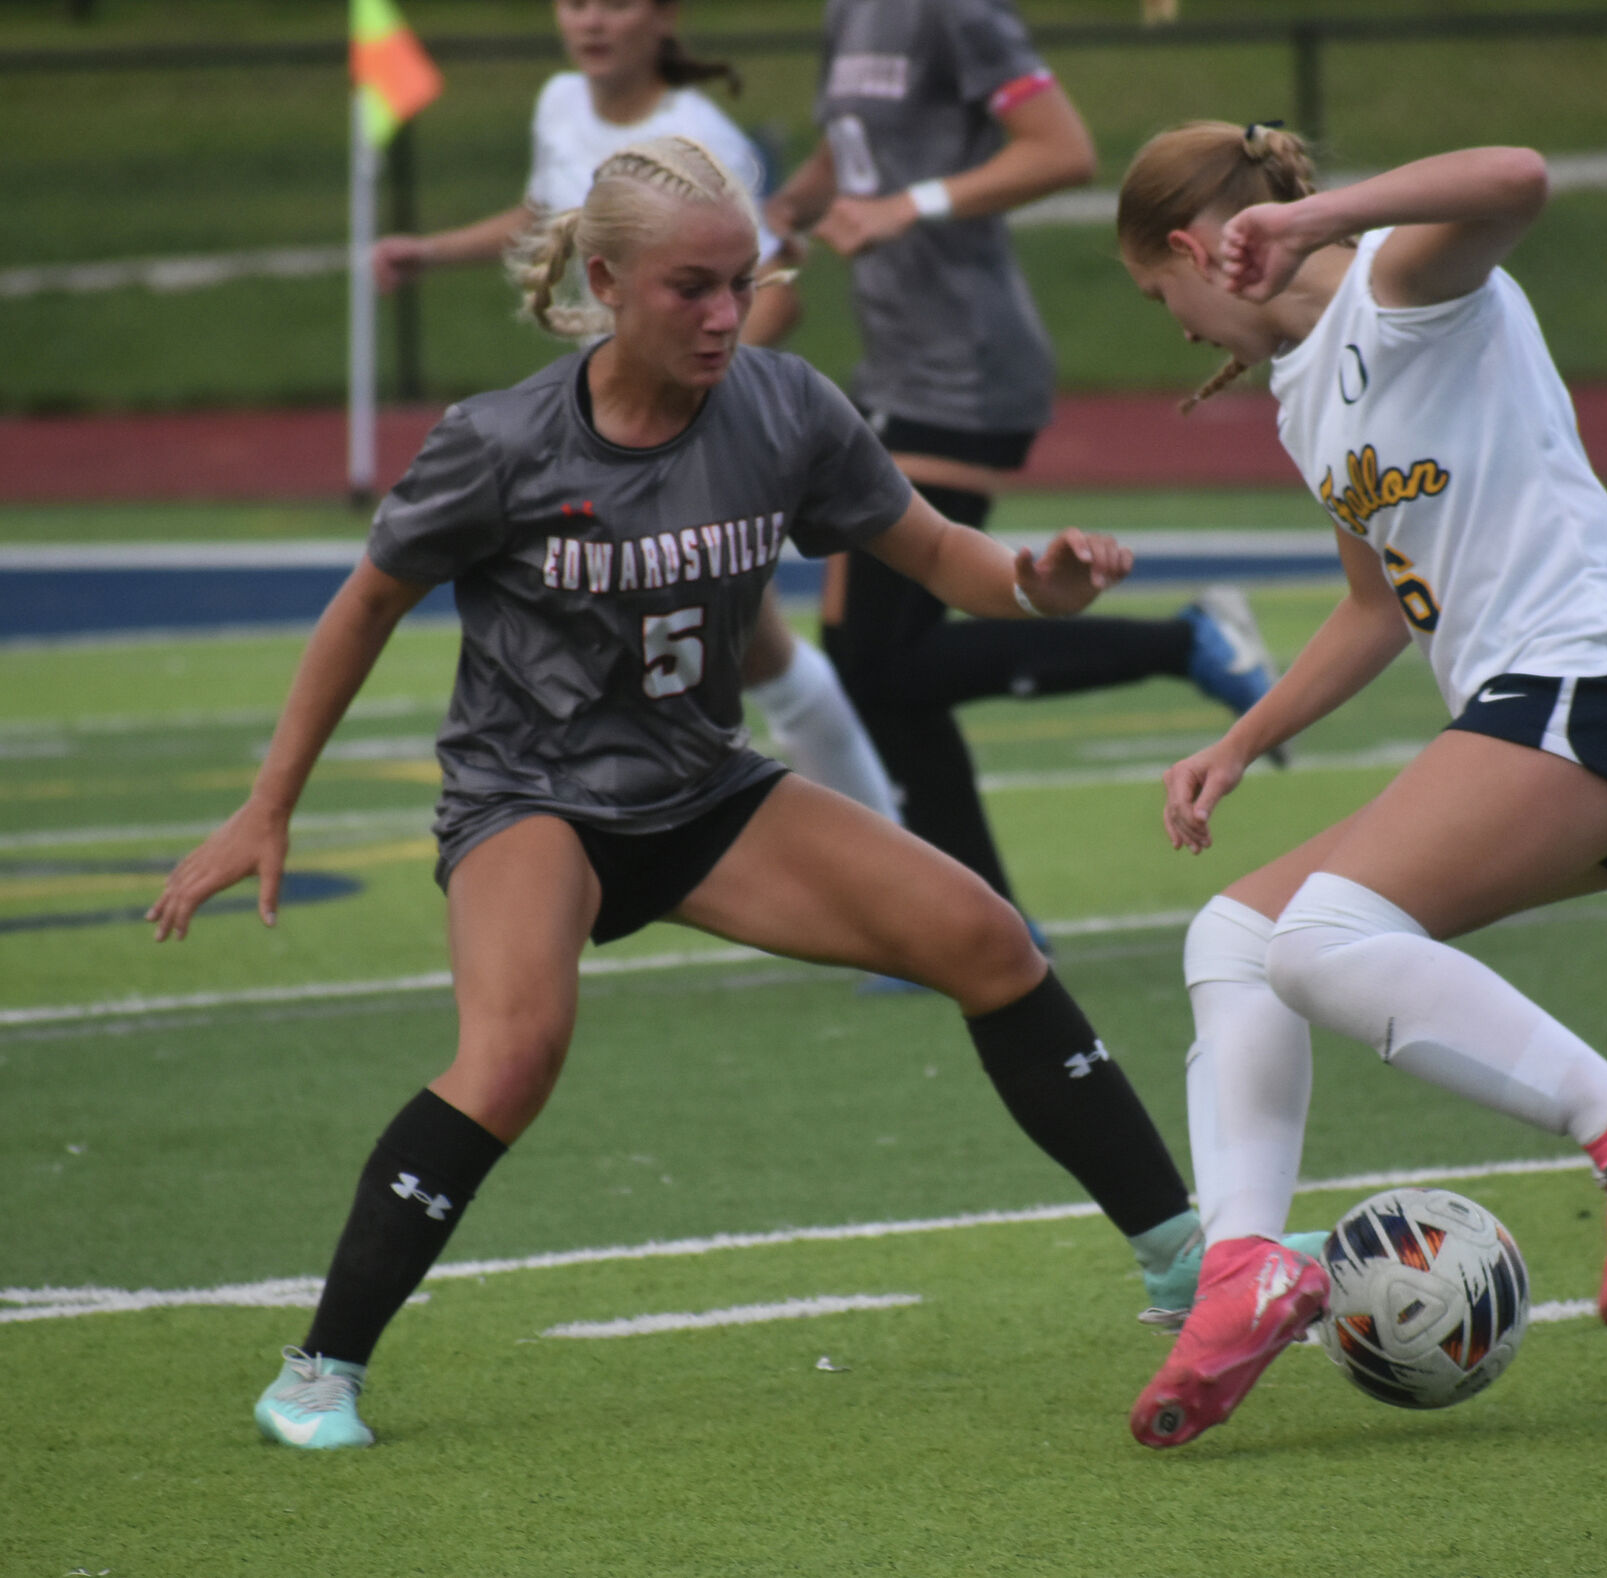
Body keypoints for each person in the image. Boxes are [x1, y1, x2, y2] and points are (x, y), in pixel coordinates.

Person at [148, 136, 1210, 1450]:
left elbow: (940, 555)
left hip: (701, 788)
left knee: (987, 938)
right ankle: (318, 1370)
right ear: (605, 279)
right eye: (691, 288)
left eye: (743, 282)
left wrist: (1036, 581)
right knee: (515, 1055)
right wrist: (270, 801)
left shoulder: (788, 406)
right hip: (529, 795)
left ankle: (1183, 1265)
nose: (726, 315)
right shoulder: (498, 442)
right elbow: (368, 601)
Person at [1112, 122, 1607, 1449]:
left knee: (1329, 940)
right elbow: (1373, 610)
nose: (1171, 329)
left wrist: (1315, 218)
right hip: (1538, 706)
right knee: (1237, 932)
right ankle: (1243, 1269)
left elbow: (1521, 176)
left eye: (1157, 295)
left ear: (1191, 246)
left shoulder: (1402, 285)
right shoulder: (1295, 390)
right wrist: (1238, 739)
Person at [762, 0, 1284, 917]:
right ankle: (980, 914)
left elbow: (1061, 150)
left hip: (963, 367)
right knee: (871, 664)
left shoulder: (955, 12)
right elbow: (858, 149)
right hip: (894, 367)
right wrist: (788, 207)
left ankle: (1184, 643)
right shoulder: (851, 12)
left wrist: (908, 206)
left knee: (880, 662)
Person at [371, 0, 897, 824]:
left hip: (676, 441)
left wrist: (692, 417)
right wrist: (430, 251)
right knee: (757, 659)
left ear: (665, 17)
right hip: (608, 434)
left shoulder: (700, 139)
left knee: (752, 664)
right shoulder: (557, 102)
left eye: (614, 3)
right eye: (574, 2)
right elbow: (547, 220)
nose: (590, 21)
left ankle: (880, 864)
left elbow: (769, 296)